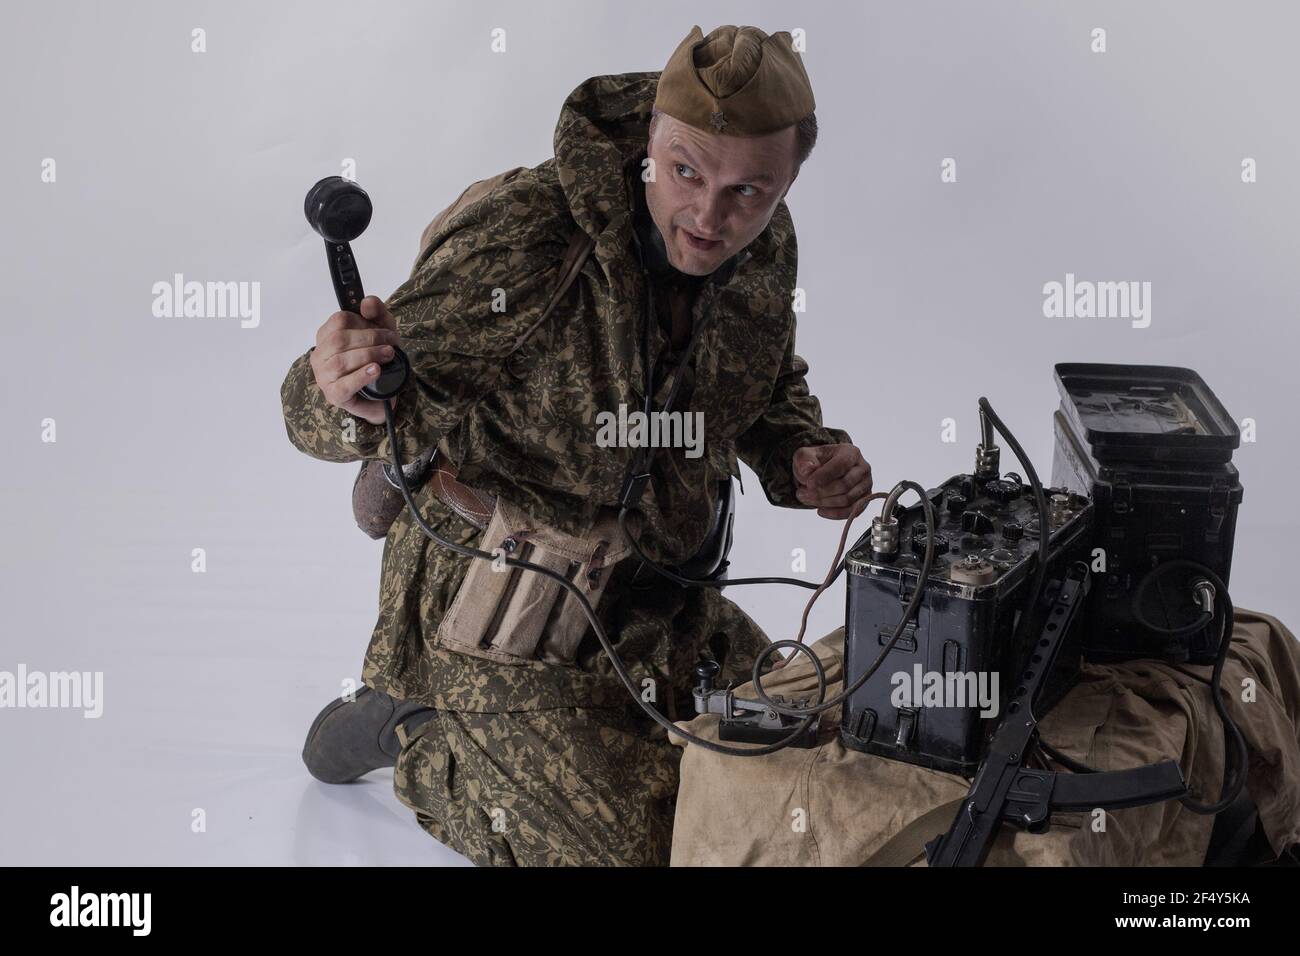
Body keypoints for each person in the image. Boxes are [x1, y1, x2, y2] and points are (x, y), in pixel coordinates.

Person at [279, 24, 871, 866]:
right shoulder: (531, 238)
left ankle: (575, 720)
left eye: (750, 191)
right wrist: (346, 393)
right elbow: (328, 404)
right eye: (686, 172)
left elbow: (766, 386)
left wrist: (805, 456)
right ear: (648, 144)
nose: (710, 215)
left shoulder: (766, 250)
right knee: (640, 849)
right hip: (496, 607)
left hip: (654, 598)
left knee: (801, 762)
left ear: (787, 181)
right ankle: (426, 735)